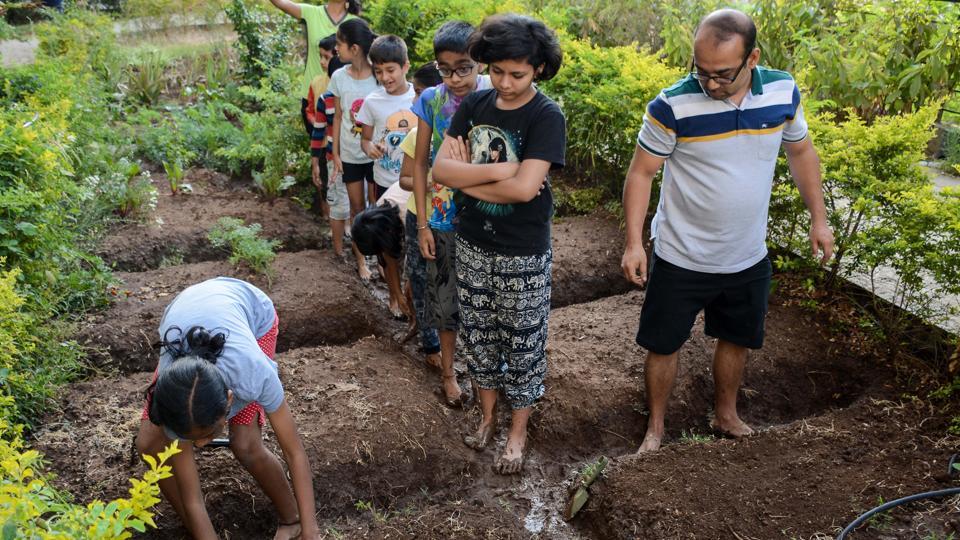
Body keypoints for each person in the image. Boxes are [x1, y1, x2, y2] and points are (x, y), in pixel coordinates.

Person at [620, 8, 834, 453]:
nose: (710, 84)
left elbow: (801, 152)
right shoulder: (672, 104)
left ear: (752, 58)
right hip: (681, 255)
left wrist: (819, 218)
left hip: (747, 254)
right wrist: (634, 243)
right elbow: (641, 173)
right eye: (701, 72)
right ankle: (655, 428)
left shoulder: (781, 91)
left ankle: (726, 413)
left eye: (722, 74)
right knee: (663, 343)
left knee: (737, 337)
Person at [432, 14, 565, 475]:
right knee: (481, 336)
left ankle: (517, 431)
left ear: (539, 70)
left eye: (518, 74)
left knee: (523, 342)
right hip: (471, 243)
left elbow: (526, 191)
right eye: (498, 71)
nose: (505, 83)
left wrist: (469, 180)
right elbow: (439, 172)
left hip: (522, 251)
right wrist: (501, 172)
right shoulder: (476, 105)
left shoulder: (546, 116)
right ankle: (488, 417)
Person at [135, 277, 320, 540]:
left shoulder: (254, 373)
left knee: (246, 444)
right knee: (148, 444)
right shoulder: (173, 396)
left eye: (208, 435)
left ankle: (292, 520)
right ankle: (195, 530)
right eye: (193, 438)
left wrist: (311, 532)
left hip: (254, 317)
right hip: (185, 320)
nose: (200, 446)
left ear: (230, 400)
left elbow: (295, 452)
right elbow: (193, 497)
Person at [412, 20, 491, 410]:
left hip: (489, 212)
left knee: (485, 300)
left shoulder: (496, 92)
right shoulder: (431, 100)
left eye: (463, 68)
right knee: (446, 300)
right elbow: (420, 162)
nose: (455, 78)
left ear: (479, 63)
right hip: (443, 214)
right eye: (445, 69)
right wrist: (423, 223)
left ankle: (485, 375)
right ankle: (448, 373)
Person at [329, 18, 379, 280]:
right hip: (349, 155)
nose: (337, 48)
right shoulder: (339, 76)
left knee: (377, 207)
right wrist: (336, 153)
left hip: (375, 155)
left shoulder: (378, 77)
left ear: (355, 48)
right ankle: (361, 261)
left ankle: (381, 259)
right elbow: (337, 116)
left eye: (340, 43)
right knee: (357, 209)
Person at [267, 0, 359, 136]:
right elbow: (281, 3)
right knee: (319, 149)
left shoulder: (355, 23)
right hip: (313, 97)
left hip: (344, 98)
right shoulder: (311, 13)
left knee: (342, 150)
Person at [356, 35, 417, 202]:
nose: (384, 77)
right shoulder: (372, 101)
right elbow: (365, 139)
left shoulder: (420, 97)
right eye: (378, 71)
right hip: (384, 181)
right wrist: (369, 148)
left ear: (405, 66)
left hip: (415, 181)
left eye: (390, 70)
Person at [307, 34, 342, 220]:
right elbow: (310, 109)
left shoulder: (345, 83)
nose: (322, 62)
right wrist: (318, 122)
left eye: (326, 57)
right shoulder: (317, 83)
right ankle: (327, 217)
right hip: (321, 143)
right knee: (324, 181)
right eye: (320, 56)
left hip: (340, 146)